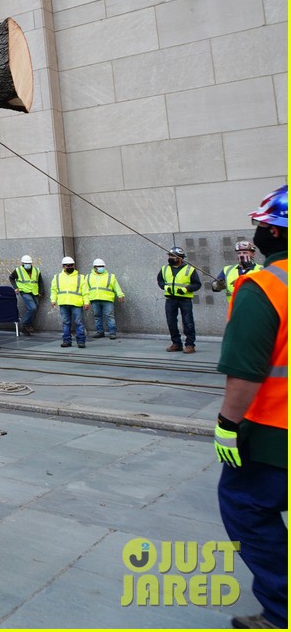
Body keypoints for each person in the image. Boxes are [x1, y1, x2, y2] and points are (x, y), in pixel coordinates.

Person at [213, 185, 287, 630]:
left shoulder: (265, 285)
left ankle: (281, 611)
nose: (255, 233)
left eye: (261, 225)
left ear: (274, 233)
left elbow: (245, 369)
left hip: (275, 432)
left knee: (245, 504)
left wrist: (227, 423)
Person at [158, 246, 201, 354]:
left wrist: (186, 289)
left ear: (180, 258)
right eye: (170, 255)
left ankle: (190, 345)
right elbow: (160, 281)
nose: (170, 258)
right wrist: (164, 287)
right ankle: (176, 343)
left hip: (185, 299)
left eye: (173, 256)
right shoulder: (164, 268)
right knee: (171, 322)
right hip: (170, 299)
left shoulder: (190, 269)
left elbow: (197, 284)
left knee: (188, 322)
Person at [51, 256, 88, 349]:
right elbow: (53, 290)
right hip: (63, 303)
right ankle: (66, 341)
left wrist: (86, 302)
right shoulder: (57, 277)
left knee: (79, 322)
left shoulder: (80, 277)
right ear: (63, 266)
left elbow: (85, 291)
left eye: (71, 265)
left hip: (76, 303)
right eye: (68, 265)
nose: (70, 267)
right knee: (66, 323)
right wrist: (53, 300)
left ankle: (81, 341)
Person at [85, 258, 125, 340]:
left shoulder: (110, 276)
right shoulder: (88, 277)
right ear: (94, 267)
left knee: (110, 316)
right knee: (97, 316)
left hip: (107, 299)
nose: (101, 267)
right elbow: (85, 289)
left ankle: (112, 333)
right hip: (94, 299)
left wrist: (120, 294)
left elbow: (116, 286)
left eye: (102, 266)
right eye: (99, 266)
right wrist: (86, 301)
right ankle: (100, 332)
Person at [9, 255, 43, 335]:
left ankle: (27, 326)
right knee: (32, 307)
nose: (28, 265)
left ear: (31, 263)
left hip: (34, 291)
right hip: (24, 291)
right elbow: (11, 278)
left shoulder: (36, 270)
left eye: (29, 263)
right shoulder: (18, 270)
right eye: (26, 263)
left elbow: (40, 281)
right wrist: (16, 287)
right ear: (22, 263)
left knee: (36, 307)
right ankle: (26, 323)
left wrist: (41, 291)